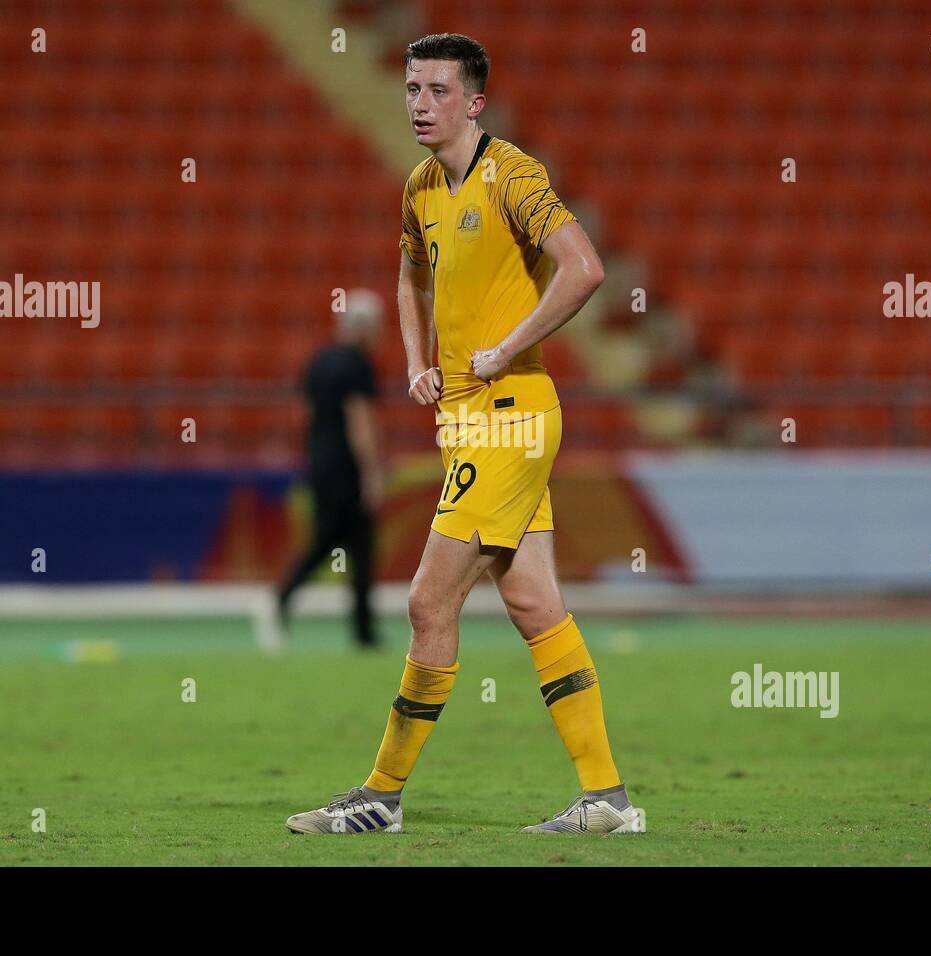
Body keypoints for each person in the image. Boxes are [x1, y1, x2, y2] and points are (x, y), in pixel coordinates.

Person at [287, 33, 639, 835]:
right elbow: (410, 272)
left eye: (438, 91)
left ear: (474, 102)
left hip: (512, 419)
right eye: (412, 88)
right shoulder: (419, 186)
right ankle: (607, 800)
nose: (419, 104)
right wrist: (417, 359)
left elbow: (585, 267)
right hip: (470, 418)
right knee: (532, 602)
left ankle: (379, 796)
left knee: (424, 599)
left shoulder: (511, 173)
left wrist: (508, 347)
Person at [275, 288, 384, 649]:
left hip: (321, 464)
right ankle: (361, 630)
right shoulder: (358, 365)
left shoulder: (319, 361)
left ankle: (287, 597)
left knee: (329, 541)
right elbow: (360, 422)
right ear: (365, 327)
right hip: (347, 469)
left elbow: (305, 415)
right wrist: (372, 473)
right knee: (358, 548)